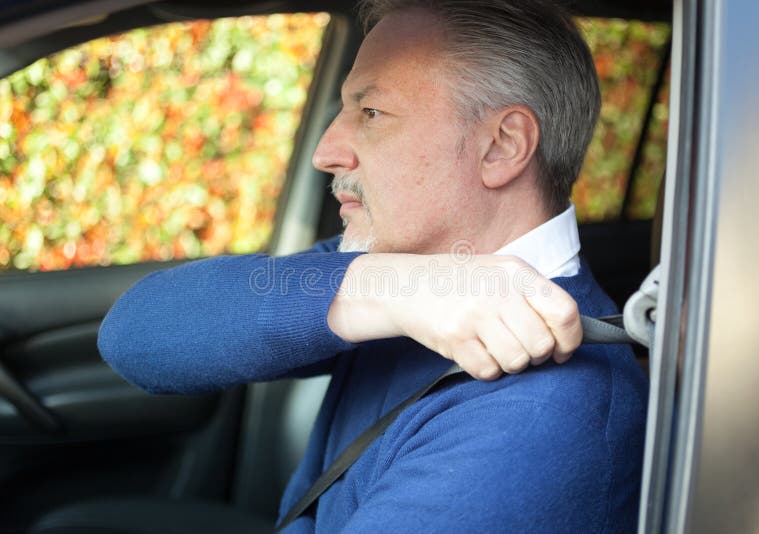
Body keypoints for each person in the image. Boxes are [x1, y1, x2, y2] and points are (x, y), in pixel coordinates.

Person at [98, 1, 647, 532]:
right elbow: (133, 334)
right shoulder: (395, 271)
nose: (326, 151)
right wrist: (386, 290)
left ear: (501, 147)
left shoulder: (545, 420)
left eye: (371, 113)